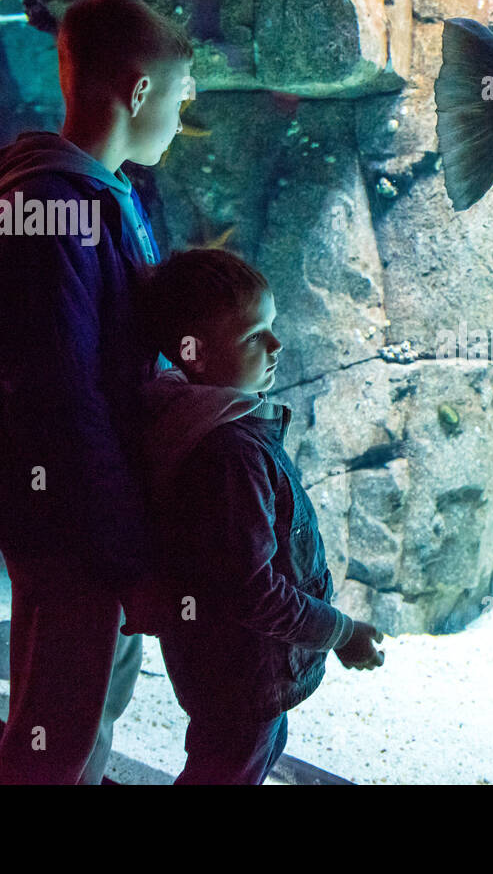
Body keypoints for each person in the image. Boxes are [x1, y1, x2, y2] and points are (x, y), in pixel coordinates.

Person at [0, 0, 192, 783]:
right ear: (138, 92)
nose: (182, 119)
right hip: (74, 531)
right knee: (52, 741)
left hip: (95, 522)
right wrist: (125, 555)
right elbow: (59, 405)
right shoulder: (50, 209)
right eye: (181, 98)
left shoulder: (98, 195)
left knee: (86, 722)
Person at [133, 248, 384, 784]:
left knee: (246, 758)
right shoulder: (229, 451)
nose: (276, 344)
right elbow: (250, 590)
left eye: (271, 327)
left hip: (234, 673)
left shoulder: (193, 418)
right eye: (254, 336)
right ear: (192, 352)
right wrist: (340, 632)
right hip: (244, 675)